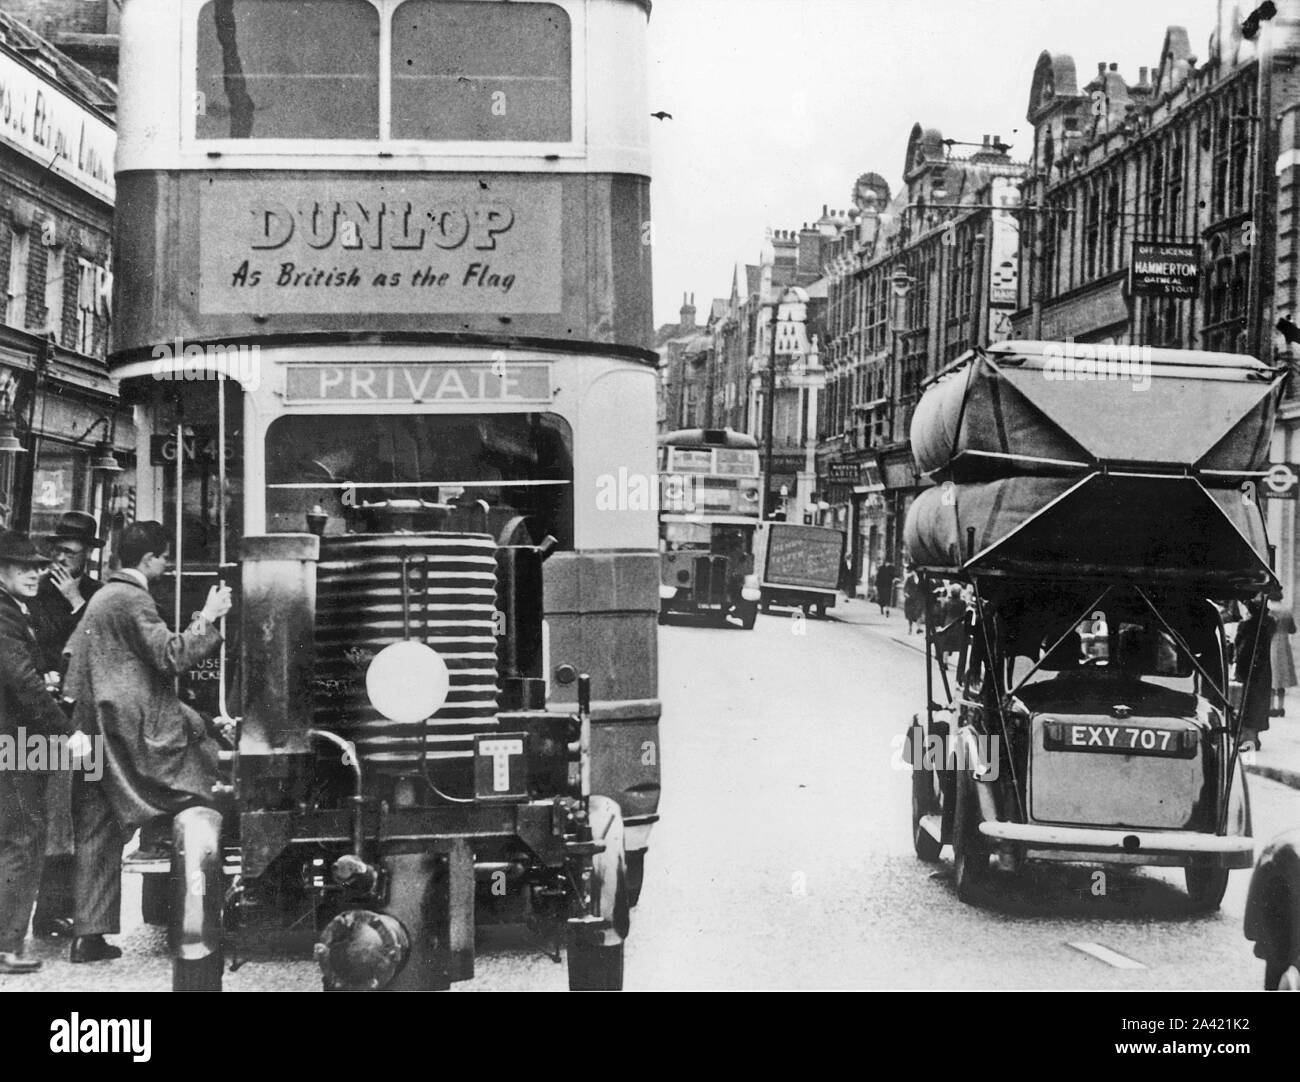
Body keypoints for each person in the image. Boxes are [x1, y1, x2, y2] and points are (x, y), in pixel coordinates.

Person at [63, 521, 232, 964]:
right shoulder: (132, 598)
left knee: (98, 832)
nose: (168, 563)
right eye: (165, 556)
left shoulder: (101, 598)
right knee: (200, 780)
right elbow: (171, 656)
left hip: (94, 731)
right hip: (129, 734)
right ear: (149, 559)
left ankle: (89, 934)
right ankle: (191, 899)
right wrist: (209, 617)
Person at [0, 530, 79, 974]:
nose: (36, 572)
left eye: (38, 565)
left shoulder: (14, 609)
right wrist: (65, 731)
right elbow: (22, 684)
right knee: (23, 838)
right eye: (24, 566)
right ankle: (7, 945)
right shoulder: (5, 612)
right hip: (14, 744)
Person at [27, 512, 104, 940]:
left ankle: (74, 907)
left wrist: (77, 602)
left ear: (86, 557)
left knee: (84, 809)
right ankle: (47, 911)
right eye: (56, 550)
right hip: (44, 721)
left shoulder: (95, 595)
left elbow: (96, 647)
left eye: (70, 553)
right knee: (50, 812)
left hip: (84, 722)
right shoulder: (34, 594)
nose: (61, 559)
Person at [1234, 596, 1275, 751]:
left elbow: (1241, 647)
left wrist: (1239, 667)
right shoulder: (1270, 623)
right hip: (1264, 667)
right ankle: (1252, 736)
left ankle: (1248, 737)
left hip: (1250, 666)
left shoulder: (1246, 626)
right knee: (1260, 700)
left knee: (1249, 700)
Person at [1268, 597, 1296, 717]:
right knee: (1282, 676)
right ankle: (1281, 707)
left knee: (1272, 675)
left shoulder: (1269, 610)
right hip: (1284, 644)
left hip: (1272, 643)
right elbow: (1293, 629)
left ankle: (1271, 707)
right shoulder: (1286, 610)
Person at [902, 565, 924, 635]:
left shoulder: (921, 579)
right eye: (913, 572)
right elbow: (905, 587)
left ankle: (918, 628)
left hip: (918, 598)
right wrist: (905, 593)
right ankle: (910, 628)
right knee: (910, 615)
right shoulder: (909, 578)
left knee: (919, 613)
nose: (914, 573)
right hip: (911, 598)